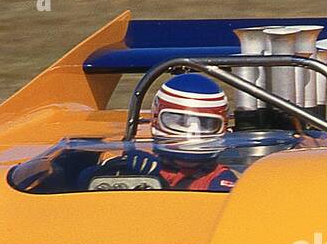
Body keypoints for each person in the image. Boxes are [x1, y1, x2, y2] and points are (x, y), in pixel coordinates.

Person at [85, 73, 239, 192]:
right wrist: (111, 170)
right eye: (179, 122)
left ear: (223, 127)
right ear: (156, 120)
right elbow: (75, 184)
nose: (192, 132)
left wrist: (158, 180)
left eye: (205, 124)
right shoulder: (135, 164)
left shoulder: (219, 180)